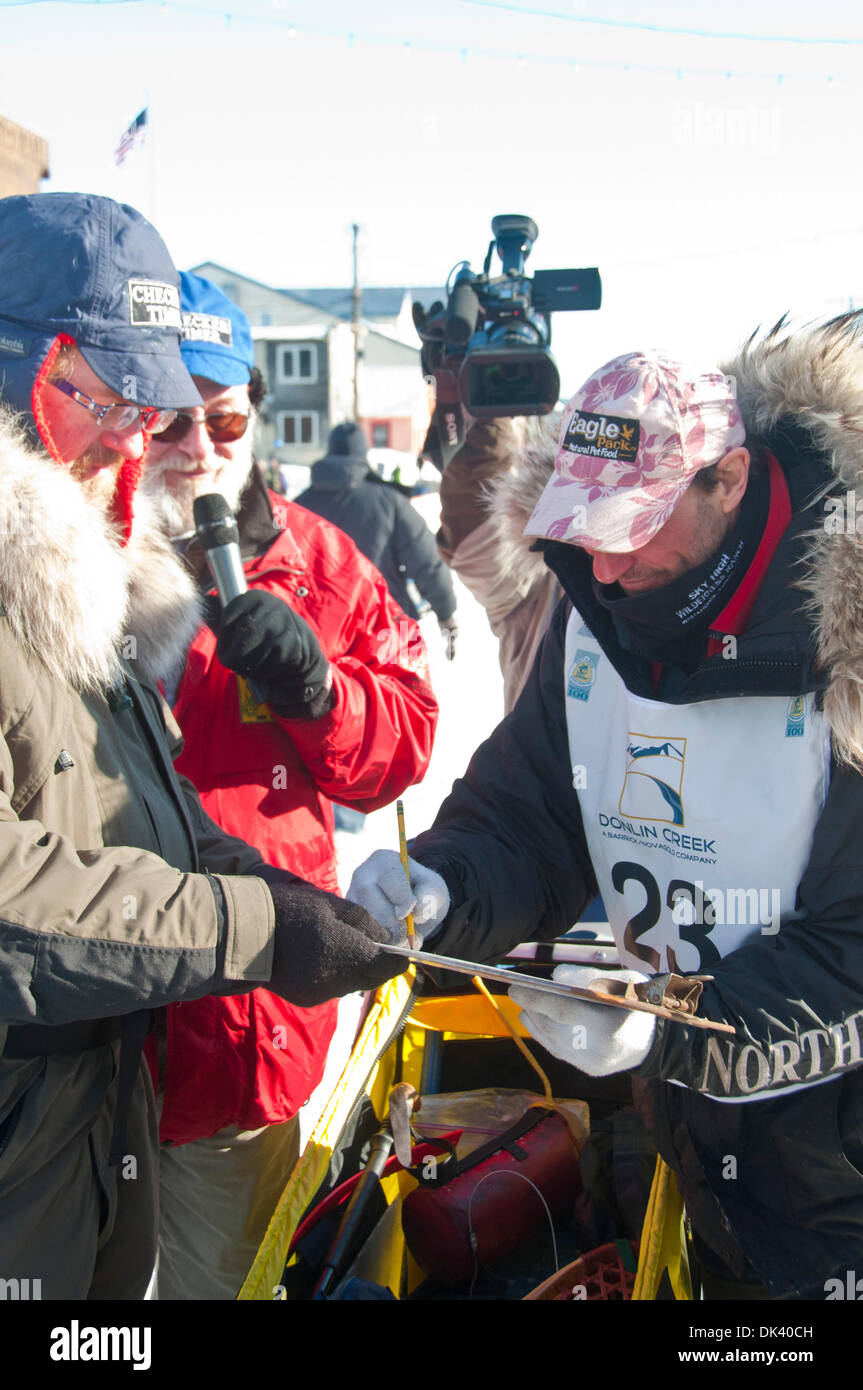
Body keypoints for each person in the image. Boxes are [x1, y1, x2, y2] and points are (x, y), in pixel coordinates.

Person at [348, 327, 863, 1300]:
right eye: (585, 529)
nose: (607, 569)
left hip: (834, 1174)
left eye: (633, 524)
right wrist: (443, 882)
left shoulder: (849, 635)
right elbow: (533, 807)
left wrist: (675, 1028)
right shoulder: (597, 602)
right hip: (682, 1137)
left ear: (730, 481)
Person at [0, 193, 400, 1301]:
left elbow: (385, 746)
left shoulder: (93, 580)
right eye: (110, 398)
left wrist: (286, 895)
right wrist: (260, 925)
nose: (145, 437)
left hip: (113, 1109)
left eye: (182, 411)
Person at [140, 271, 438, 1299]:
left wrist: (318, 689)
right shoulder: (80, 557)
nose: (201, 448)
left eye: (223, 419)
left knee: (217, 1283)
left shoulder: (323, 562)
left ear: (256, 414)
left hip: (239, 1021)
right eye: (169, 423)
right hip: (90, 1032)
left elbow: (402, 746)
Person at [296, 422, 459, 659]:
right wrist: (446, 614)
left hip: (320, 636)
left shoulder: (299, 507)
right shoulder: (390, 502)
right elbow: (426, 562)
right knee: (402, 695)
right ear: (363, 453)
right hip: (387, 628)